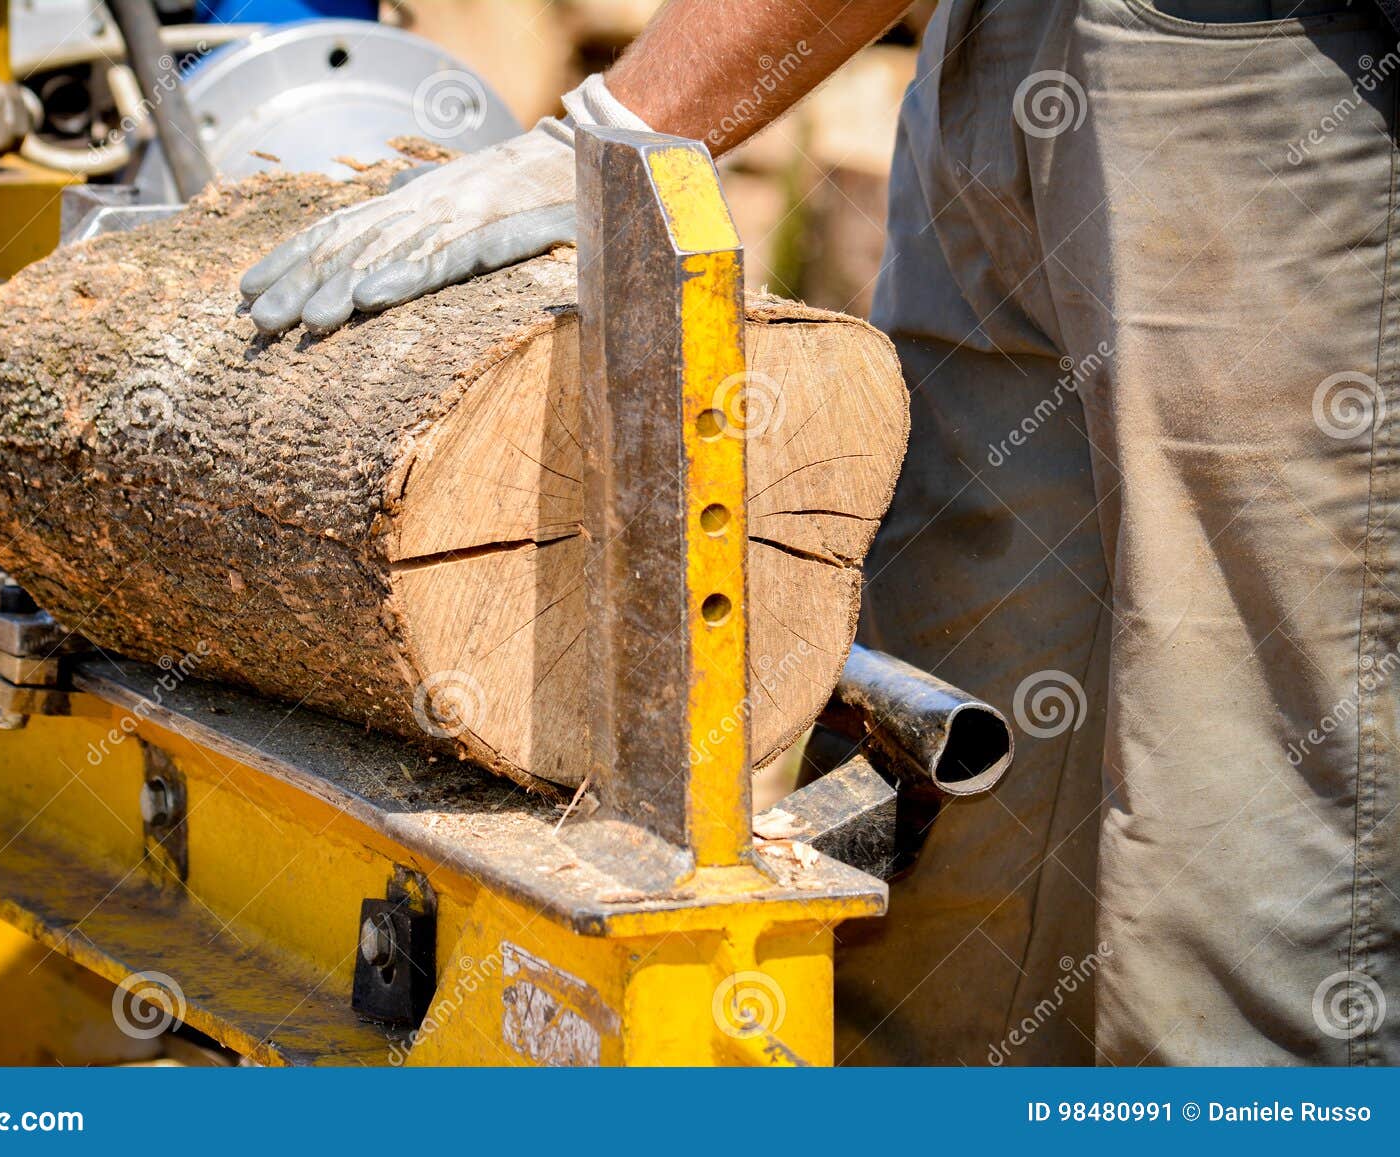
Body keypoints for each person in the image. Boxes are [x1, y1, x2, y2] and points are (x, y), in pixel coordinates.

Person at [241, 0, 1400, 1065]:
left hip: (1274, 62)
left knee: (1243, 799)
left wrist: (614, 130)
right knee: (955, 825)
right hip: (1000, 31)